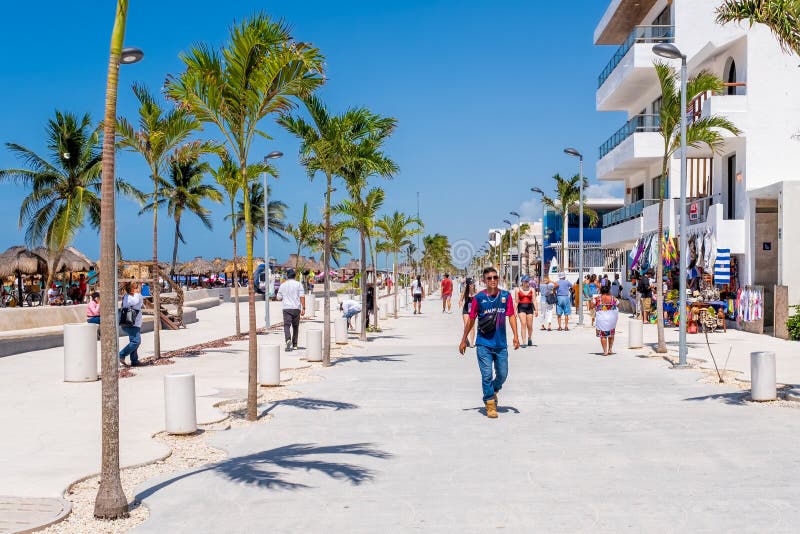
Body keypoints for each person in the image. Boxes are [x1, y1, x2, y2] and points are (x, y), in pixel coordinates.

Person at [459, 267, 520, 419]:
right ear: (484, 281)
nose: (492, 280)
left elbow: (511, 315)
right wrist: (463, 339)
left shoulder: (506, 295)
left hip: (500, 344)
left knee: (502, 374)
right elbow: (471, 319)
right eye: (489, 278)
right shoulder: (479, 298)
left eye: (495, 277)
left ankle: (493, 391)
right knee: (486, 376)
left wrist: (516, 336)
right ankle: (490, 404)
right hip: (483, 343)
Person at [276, 269, 305, 351]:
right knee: (295, 326)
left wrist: (282, 297)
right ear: (294, 276)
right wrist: (304, 308)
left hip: (286, 308)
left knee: (286, 325)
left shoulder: (283, 285)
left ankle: (288, 339)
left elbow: (279, 297)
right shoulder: (299, 284)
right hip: (296, 308)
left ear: (287, 276)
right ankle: (295, 344)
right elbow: (302, 296)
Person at [119, 282, 143, 366]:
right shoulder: (135, 296)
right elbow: (135, 301)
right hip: (132, 322)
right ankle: (121, 354)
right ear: (133, 289)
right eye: (136, 287)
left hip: (131, 321)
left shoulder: (126, 296)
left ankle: (134, 360)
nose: (138, 288)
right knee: (136, 341)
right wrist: (137, 293)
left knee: (133, 340)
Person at [595, 284, 619, 356]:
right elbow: (618, 304)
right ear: (608, 291)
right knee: (611, 333)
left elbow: (591, 306)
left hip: (601, 319)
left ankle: (605, 351)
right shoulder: (613, 298)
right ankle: (610, 349)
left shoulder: (597, 298)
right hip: (611, 318)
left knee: (603, 335)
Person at [515, 275, 537, 347]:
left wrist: (536, 310)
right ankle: (524, 342)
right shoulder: (517, 290)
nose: (526, 283)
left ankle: (529, 338)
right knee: (523, 324)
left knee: (529, 326)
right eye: (525, 281)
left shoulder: (532, 289)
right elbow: (516, 301)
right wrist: (514, 311)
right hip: (521, 308)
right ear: (522, 282)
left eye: (527, 281)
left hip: (529, 307)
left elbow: (534, 300)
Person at [458, 277, 477, 347]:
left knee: (472, 326)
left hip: (473, 310)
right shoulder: (465, 291)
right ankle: (465, 339)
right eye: (471, 284)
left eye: (473, 284)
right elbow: (461, 299)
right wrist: (460, 303)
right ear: (468, 285)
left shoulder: (476, 291)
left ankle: (472, 343)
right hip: (466, 309)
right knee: (466, 325)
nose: (472, 285)